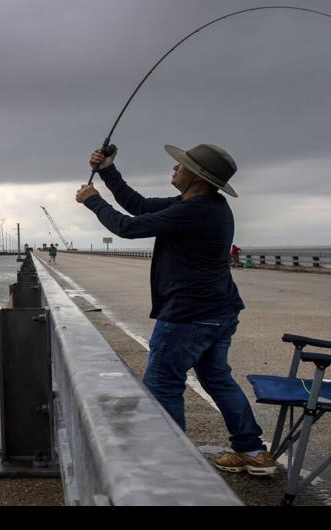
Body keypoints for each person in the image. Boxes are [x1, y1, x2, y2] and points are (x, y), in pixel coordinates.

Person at [76, 143, 274, 476]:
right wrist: (108, 170)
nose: (173, 170)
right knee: (217, 379)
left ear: (195, 176)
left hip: (189, 316)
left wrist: (92, 200)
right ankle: (252, 449)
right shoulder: (205, 204)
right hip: (218, 311)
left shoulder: (194, 211)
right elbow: (138, 206)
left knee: (163, 384)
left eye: (179, 166)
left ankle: (171, 465)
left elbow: (128, 227)